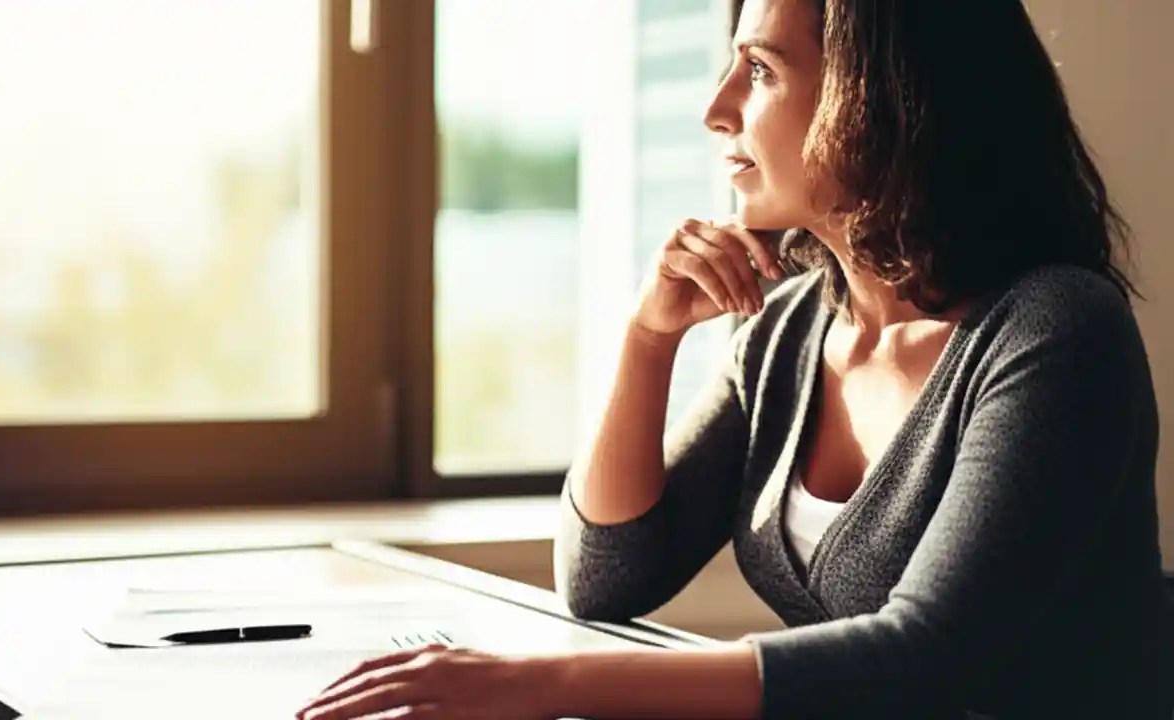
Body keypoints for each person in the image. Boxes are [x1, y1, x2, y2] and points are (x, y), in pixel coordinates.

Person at [296, 0, 1173, 717]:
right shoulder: (790, 330)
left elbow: (927, 657)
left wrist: (536, 682)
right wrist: (649, 339)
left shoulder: (1055, 331)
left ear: (883, 97)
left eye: (759, 70)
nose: (715, 107)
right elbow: (605, 578)